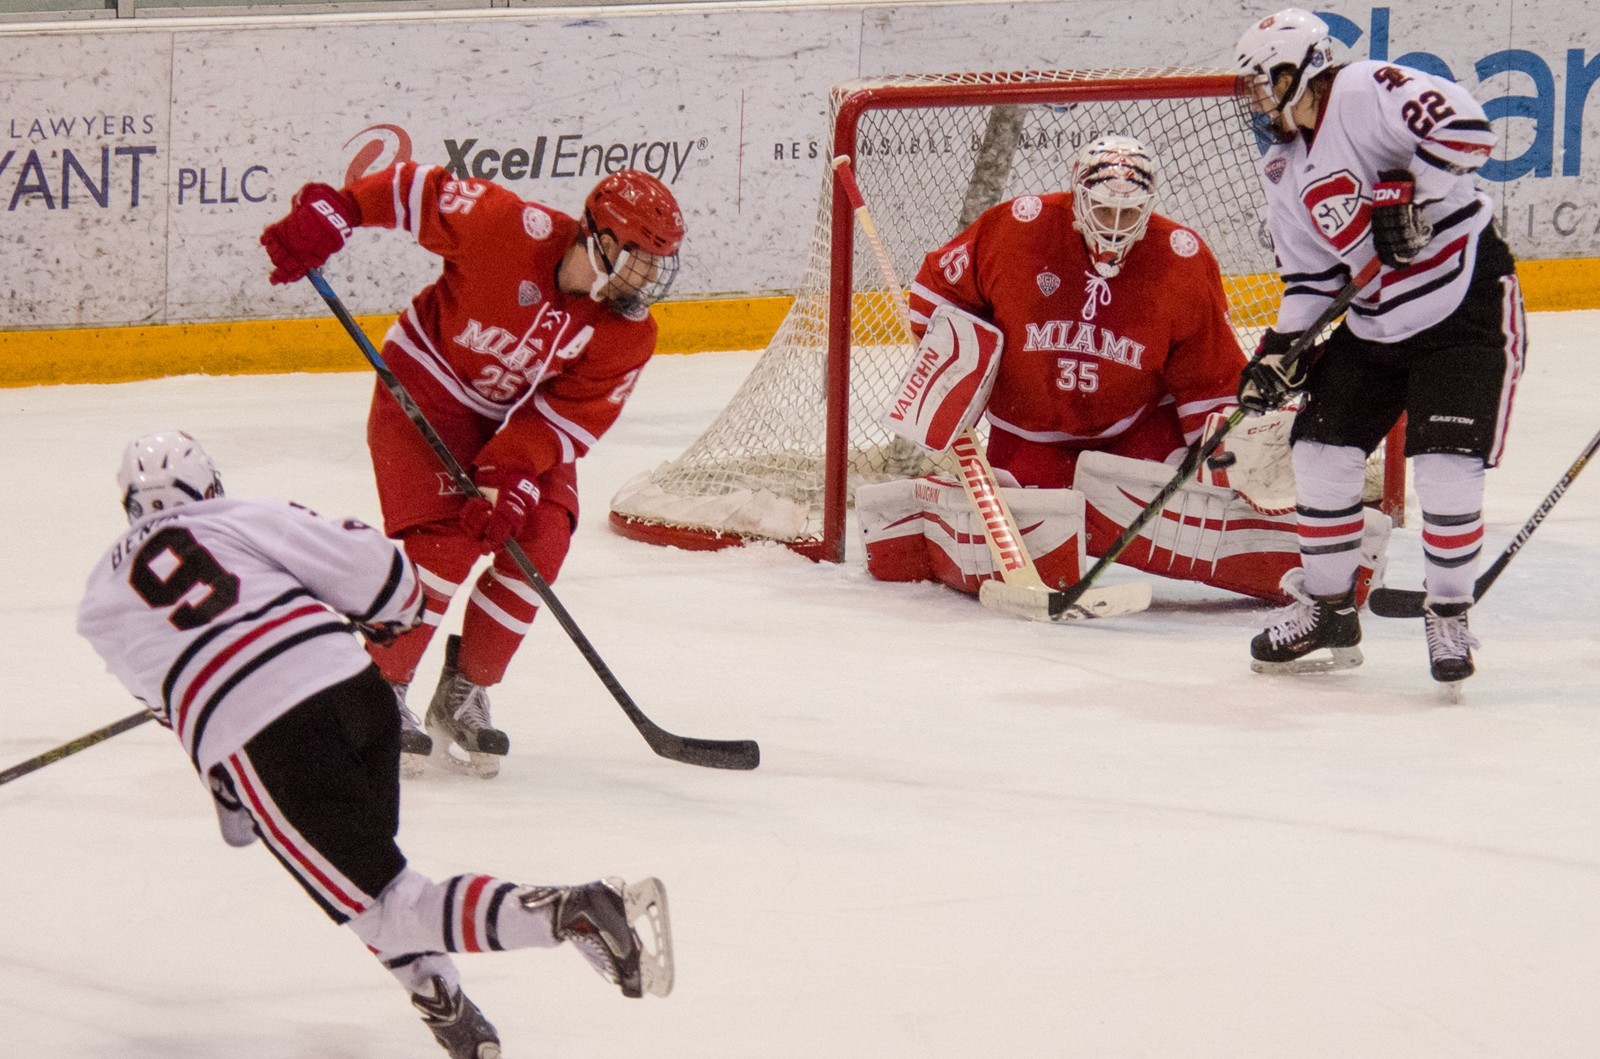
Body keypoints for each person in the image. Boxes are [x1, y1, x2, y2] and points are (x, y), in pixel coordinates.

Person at [77, 432, 673, 1059]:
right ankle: (438, 995)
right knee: (376, 874)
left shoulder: (99, 602)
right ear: (210, 487)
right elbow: (373, 568)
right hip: (355, 692)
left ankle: (572, 911)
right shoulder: (239, 515)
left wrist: (228, 790)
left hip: (261, 734)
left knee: (387, 901)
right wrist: (393, 610)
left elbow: (172, 705)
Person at [259, 164, 685, 776]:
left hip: (513, 423)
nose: (649, 278)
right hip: (427, 391)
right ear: (604, 239)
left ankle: (466, 692)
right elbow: (417, 193)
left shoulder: (628, 336)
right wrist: (340, 210)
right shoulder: (507, 228)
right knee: (446, 544)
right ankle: (379, 687)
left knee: (541, 539)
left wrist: (508, 477)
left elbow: (564, 421)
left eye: (659, 263)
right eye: (643, 257)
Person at [860, 134, 1388, 602]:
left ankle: (1328, 570)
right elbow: (935, 290)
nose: (1114, 226)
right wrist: (951, 374)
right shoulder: (1016, 227)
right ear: (1077, 196)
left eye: (1129, 213)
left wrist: (1219, 457)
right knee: (1030, 541)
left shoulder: (1180, 258)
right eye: (1103, 210)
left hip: (1134, 431)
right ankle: (920, 528)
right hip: (1027, 434)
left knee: (1200, 514)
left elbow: (1207, 375)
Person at [1232, 9, 1523, 687]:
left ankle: (1448, 611)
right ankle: (1329, 608)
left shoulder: (1365, 89)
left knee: (1446, 466)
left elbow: (1469, 130)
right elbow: (1311, 278)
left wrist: (1410, 195)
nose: (1255, 97)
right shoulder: (1281, 166)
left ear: (1297, 69)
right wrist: (1281, 347)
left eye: (1262, 80)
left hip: (1461, 306)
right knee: (1319, 450)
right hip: (1375, 322)